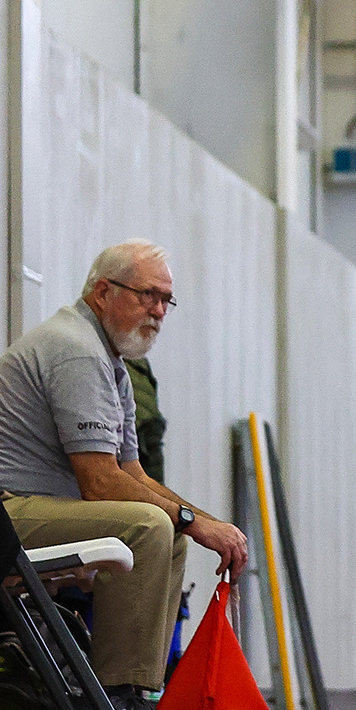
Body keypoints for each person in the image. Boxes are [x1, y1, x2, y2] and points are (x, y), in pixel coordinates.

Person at [0, 240, 249, 710]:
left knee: (169, 529)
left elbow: (132, 474)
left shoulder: (113, 364)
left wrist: (208, 524)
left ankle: (140, 689)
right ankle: (116, 694)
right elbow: (100, 483)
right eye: (146, 295)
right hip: (8, 512)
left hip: (27, 508)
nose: (158, 311)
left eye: (165, 300)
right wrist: (198, 524)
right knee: (149, 525)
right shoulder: (75, 350)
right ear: (102, 292)